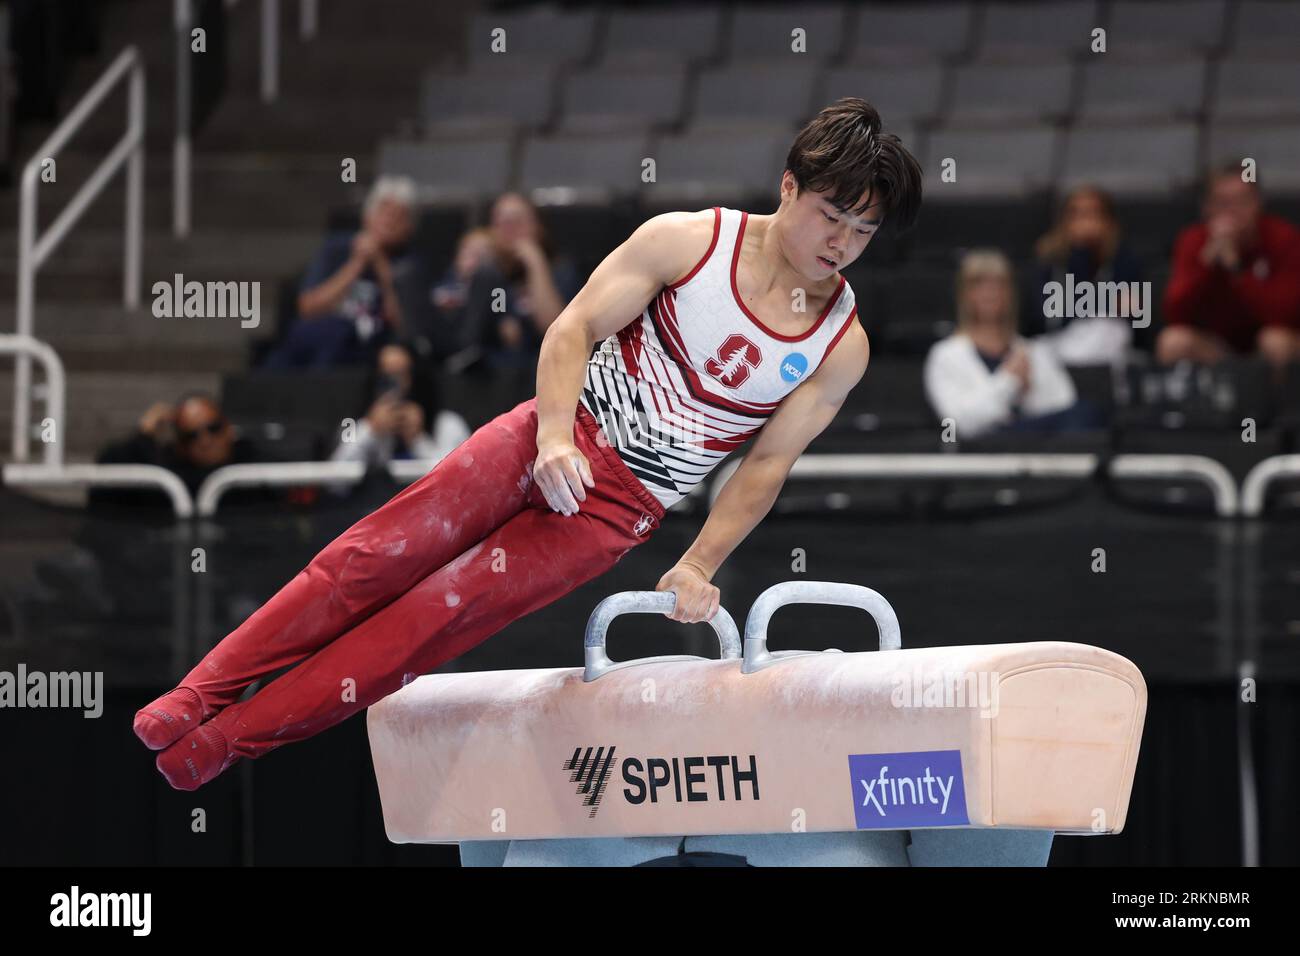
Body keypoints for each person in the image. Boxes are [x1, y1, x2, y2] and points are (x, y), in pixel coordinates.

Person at [133, 97, 923, 791]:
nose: (842, 242)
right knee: (369, 562)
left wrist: (698, 563)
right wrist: (552, 438)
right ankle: (199, 694)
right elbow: (572, 328)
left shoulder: (837, 344)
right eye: (831, 214)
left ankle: (227, 742)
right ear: (790, 187)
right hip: (552, 431)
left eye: (863, 229)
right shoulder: (687, 241)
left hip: (616, 511)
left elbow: (767, 464)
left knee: (424, 624)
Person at [924, 250, 1103, 440]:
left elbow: (1065, 412)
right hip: (983, 452)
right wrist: (1009, 382)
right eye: (980, 286)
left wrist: (1028, 389)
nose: (991, 294)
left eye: (999, 286)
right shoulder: (946, 355)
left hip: (1038, 451)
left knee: (1089, 412)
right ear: (965, 295)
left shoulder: (1033, 351)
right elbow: (956, 425)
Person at [263, 176, 422, 369]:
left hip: (369, 349)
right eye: (384, 212)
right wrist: (356, 264)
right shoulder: (337, 249)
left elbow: (403, 327)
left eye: (398, 216)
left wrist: (381, 267)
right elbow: (307, 308)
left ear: (409, 227)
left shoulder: (410, 264)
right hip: (323, 338)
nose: (389, 221)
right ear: (367, 216)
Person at [1158, 164, 1300, 374]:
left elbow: (1288, 314)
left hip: (1266, 347)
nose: (1233, 211)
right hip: (1217, 348)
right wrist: (1206, 267)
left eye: (1243, 201)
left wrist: (1237, 271)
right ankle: (1186, 406)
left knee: (1275, 341)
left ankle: (1275, 406)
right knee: (1173, 342)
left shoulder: (1283, 237)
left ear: (1259, 203)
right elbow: (1174, 312)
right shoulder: (1194, 241)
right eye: (1223, 203)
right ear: (1207, 208)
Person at [459, 192, 582, 370]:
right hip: (485, 370)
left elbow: (553, 326)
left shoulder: (560, 271)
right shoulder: (487, 271)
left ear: (538, 227)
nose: (509, 230)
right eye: (502, 223)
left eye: (517, 222)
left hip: (538, 369)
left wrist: (535, 263)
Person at [92, 393, 274, 507]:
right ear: (180, 446)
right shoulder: (172, 472)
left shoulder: (253, 462)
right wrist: (144, 433)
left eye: (213, 428)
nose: (205, 440)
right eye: (191, 436)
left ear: (228, 429)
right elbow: (108, 465)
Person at [1029, 185, 1142, 366]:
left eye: (1094, 214)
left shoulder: (1123, 259)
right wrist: (1080, 252)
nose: (1086, 223)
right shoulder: (1049, 260)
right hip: (1058, 345)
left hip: (1109, 350)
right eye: (1078, 215)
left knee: (1109, 330)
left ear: (1108, 221)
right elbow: (1048, 317)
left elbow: (1138, 318)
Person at [327, 341, 470, 477]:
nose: (396, 388)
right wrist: (370, 430)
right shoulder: (352, 426)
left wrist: (418, 439)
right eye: (386, 377)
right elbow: (335, 483)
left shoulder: (449, 424)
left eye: (402, 375)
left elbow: (457, 482)